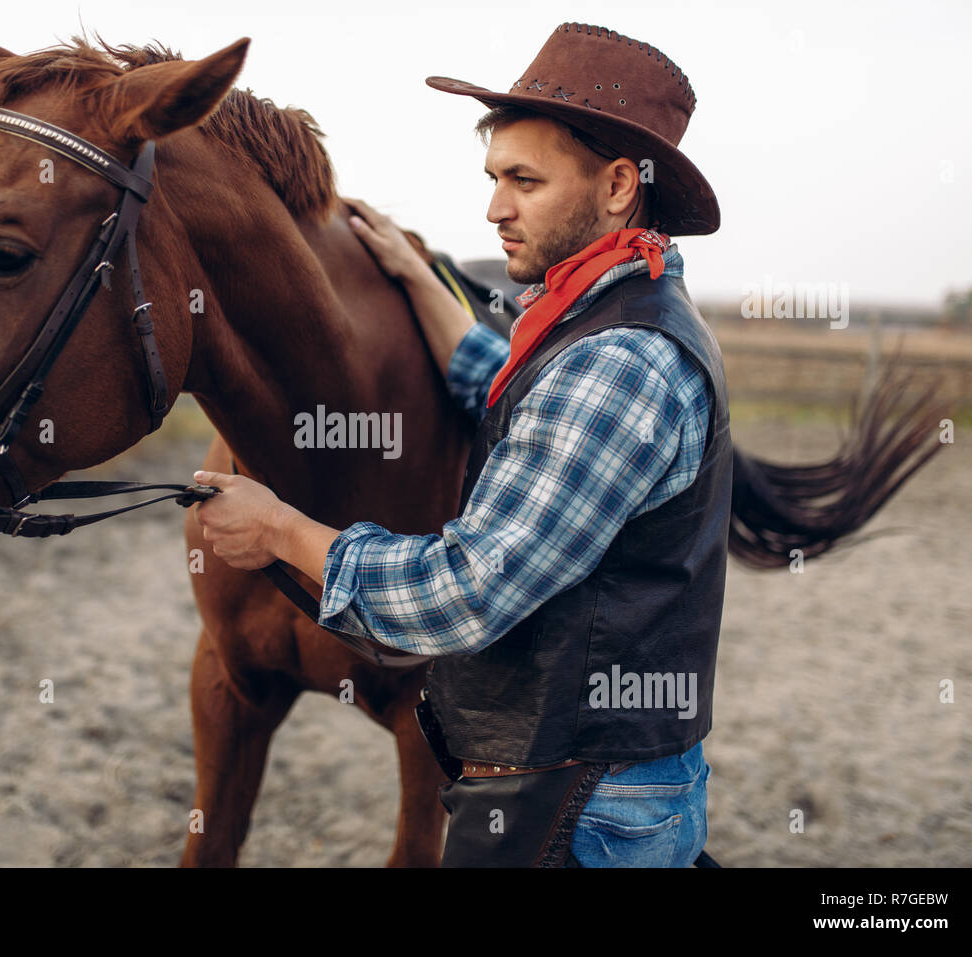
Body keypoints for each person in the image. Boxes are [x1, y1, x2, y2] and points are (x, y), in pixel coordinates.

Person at [191, 21, 729, 867]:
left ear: (620, 185)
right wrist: (418, 277)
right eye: (493, 178)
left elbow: (465, 593)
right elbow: (499, 384)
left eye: (524, 181)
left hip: (583, 804)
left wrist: (279, 532)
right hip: (583, 785)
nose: (495, 208)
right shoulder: (596, 318)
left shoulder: (620, 362)